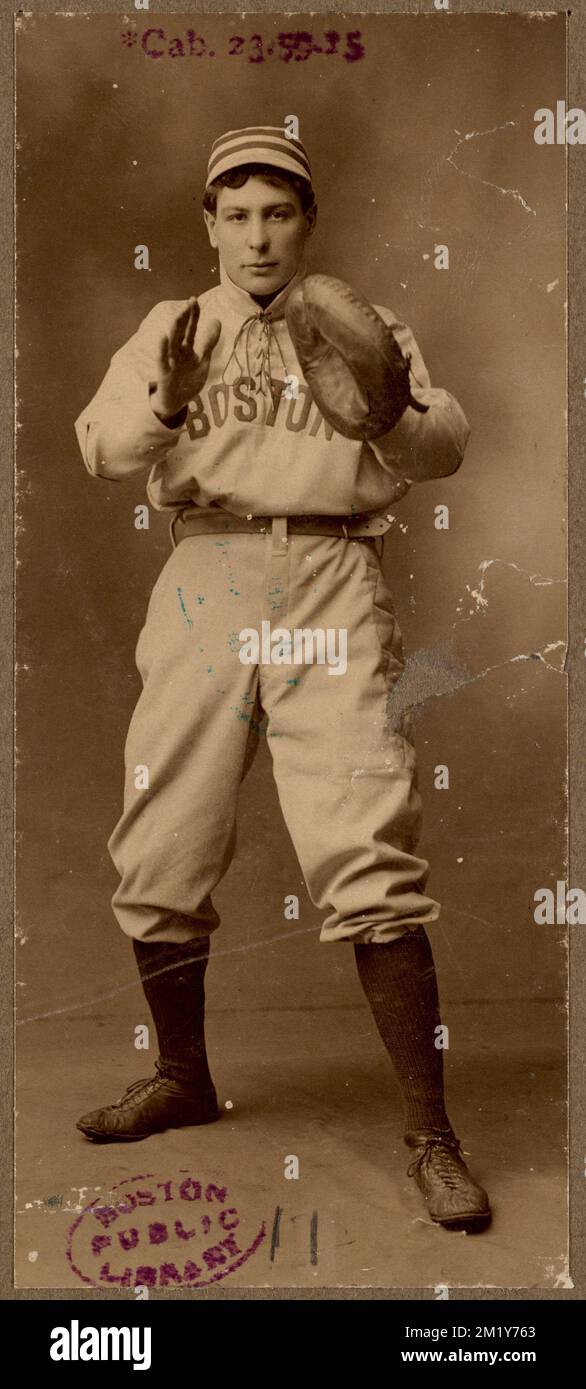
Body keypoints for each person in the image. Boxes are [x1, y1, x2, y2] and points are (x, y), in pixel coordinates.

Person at [74, 125, 490, 1231]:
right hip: (206, 570)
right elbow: (103, 448)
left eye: (279, 213)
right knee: (162, 837)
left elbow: (442, 444)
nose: (258, 235)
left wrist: (395, 401)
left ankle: (431, 1134)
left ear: (305, 222)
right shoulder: (173, 327)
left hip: (328, 572)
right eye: (238, 214)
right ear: (209, 225)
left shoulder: (363, 322)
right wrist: (163, 405)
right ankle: (183, 1074)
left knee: (365, 845)